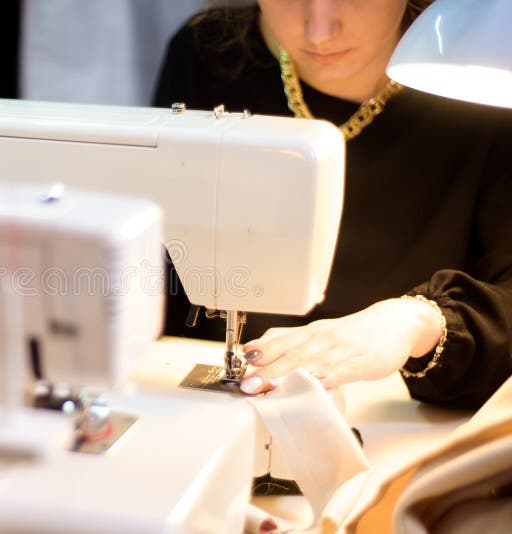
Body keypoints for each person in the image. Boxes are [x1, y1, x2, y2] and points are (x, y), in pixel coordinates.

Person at [153, 0, 512, 409]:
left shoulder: (490, 73)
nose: (319, 30)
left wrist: (419, 323)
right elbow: (153, 260)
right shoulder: (209, 50)